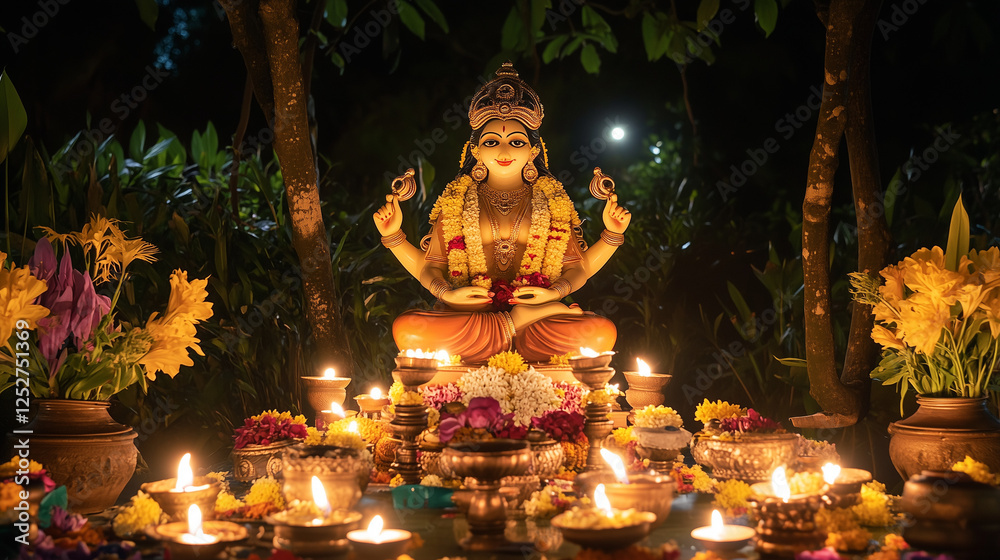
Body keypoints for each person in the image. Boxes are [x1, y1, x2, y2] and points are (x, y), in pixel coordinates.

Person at [373, 63, 631, 363]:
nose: (504, 151)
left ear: (533, 151)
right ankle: (513, 325)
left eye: (517, 142)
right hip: (470, 316)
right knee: (410, 328)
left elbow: (578, 267)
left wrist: (611, 236)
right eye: (492, 141)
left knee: (598, 332)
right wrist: (445, 292)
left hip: (536, 321)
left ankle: (515, 326)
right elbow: (429, 267)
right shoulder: (457, 200)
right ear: (476, 151)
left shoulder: (551, 201)